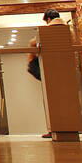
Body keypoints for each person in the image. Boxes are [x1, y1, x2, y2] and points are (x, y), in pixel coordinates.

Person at [26, 9, 64, 140]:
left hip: (50, 69)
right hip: (64, 69)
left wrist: (31, 60)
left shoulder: (47, 30)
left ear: (48, 19)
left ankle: (54, 129)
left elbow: (32, 43)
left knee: (51, 101)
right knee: (63, 100)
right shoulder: (68, 30)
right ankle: (65, 127)